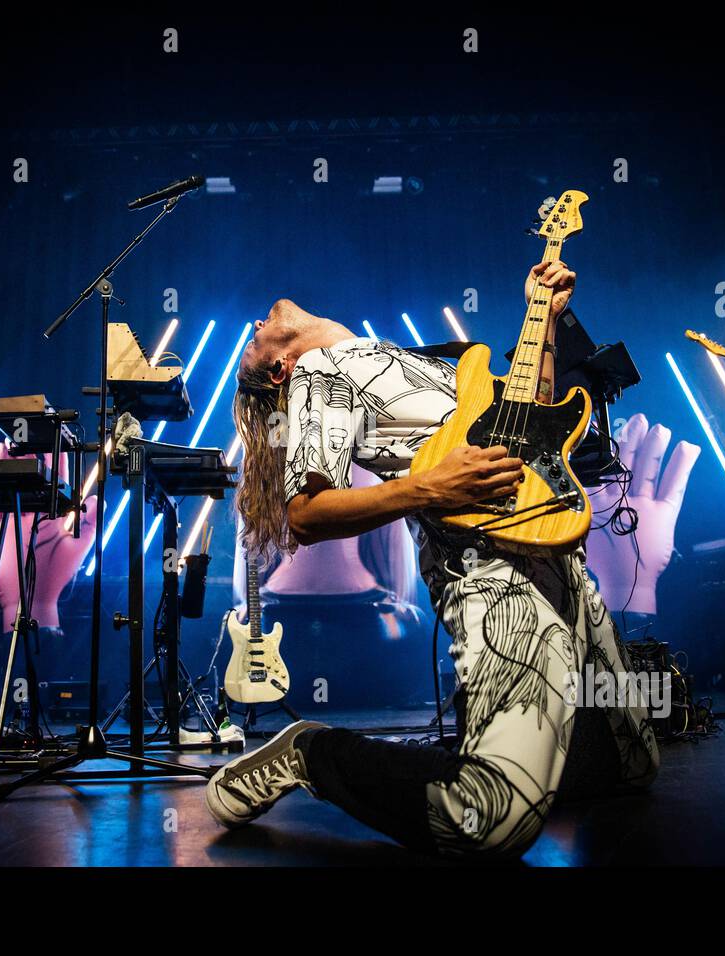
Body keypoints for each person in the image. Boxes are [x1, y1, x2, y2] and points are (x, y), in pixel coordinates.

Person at [205, 262, 660, 860]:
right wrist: (428, 490)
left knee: (630, 766)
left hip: (559, 557)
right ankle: (308, 752)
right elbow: (305, 514)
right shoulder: (321, 372)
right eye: (255, 336)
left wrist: (544, 316)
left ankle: (479, 755)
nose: (257, 320)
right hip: (490, 571)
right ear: (279, 367)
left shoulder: (429, 361)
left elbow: (534, 419)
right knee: (487, 821)